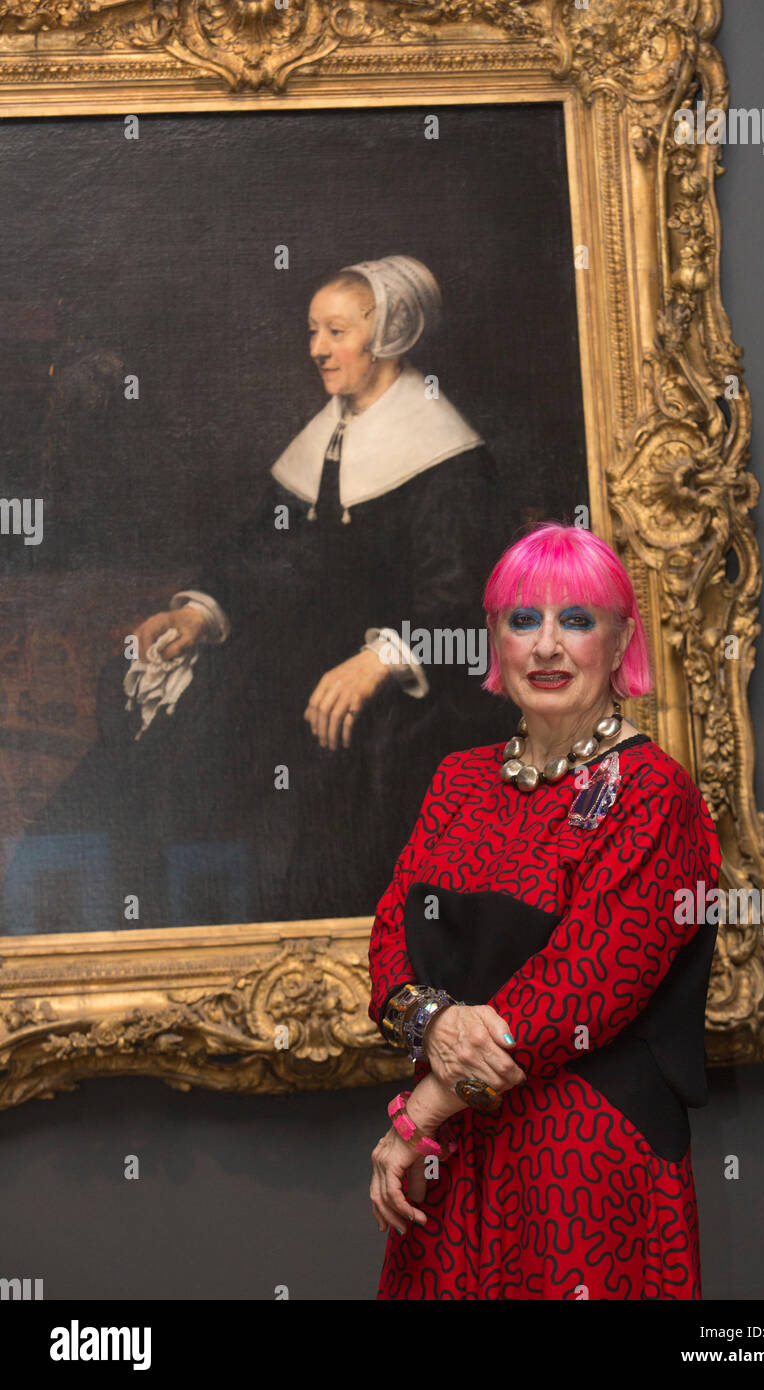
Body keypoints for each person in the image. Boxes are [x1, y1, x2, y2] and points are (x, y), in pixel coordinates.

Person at [4, 256, 514, 933]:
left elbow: (464, 614)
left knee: (264, 773)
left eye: (336, 332)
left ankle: (233, 931)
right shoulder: (328, 433)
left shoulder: (448, 458)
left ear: (388, 334)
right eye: (313, 331)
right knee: (151, 705)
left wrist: (379, 661)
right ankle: (90, 916)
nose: (317, 348)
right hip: (295, 652)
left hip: (400, 685)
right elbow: (259, 549)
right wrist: (200, 611)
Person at [368, 521, 721, 1300]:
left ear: (620, 638)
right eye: (524, 620)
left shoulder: (653, 794)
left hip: (585, 1166)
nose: (548, 645)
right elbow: (391, 939)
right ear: (497, 639)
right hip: (453, 1169)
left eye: (577, 620)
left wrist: (420, 1111)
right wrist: (435, 1024)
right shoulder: (457, 781)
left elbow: (579, 987)